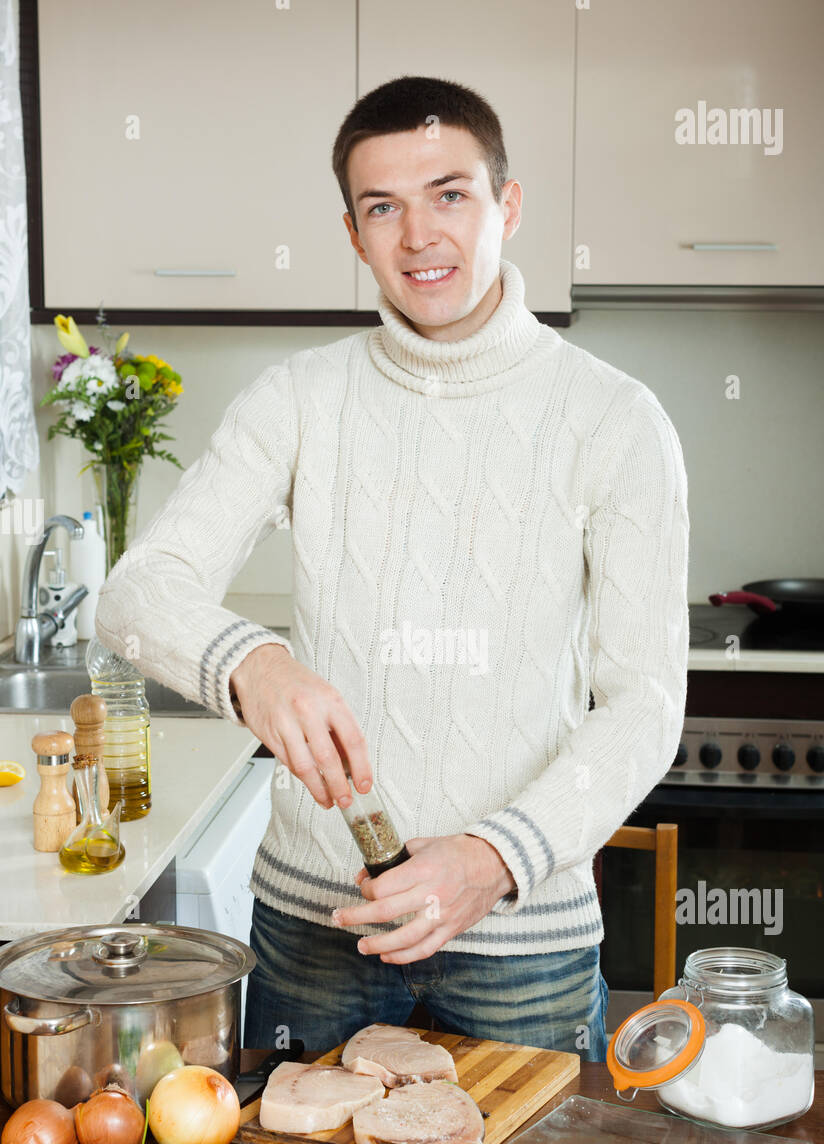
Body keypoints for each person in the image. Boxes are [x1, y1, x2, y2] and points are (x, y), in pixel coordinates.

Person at [95, 74, 689, 1065]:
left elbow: (642, 706)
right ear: (352, 232)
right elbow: (136, 590)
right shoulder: (297, 398)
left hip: (523, 941)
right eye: (383, 206)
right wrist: (256, 664)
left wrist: (491, 859)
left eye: (448, 193)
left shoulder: (615, 420)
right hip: (317, 931)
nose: (418, 235)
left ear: (507, 202)